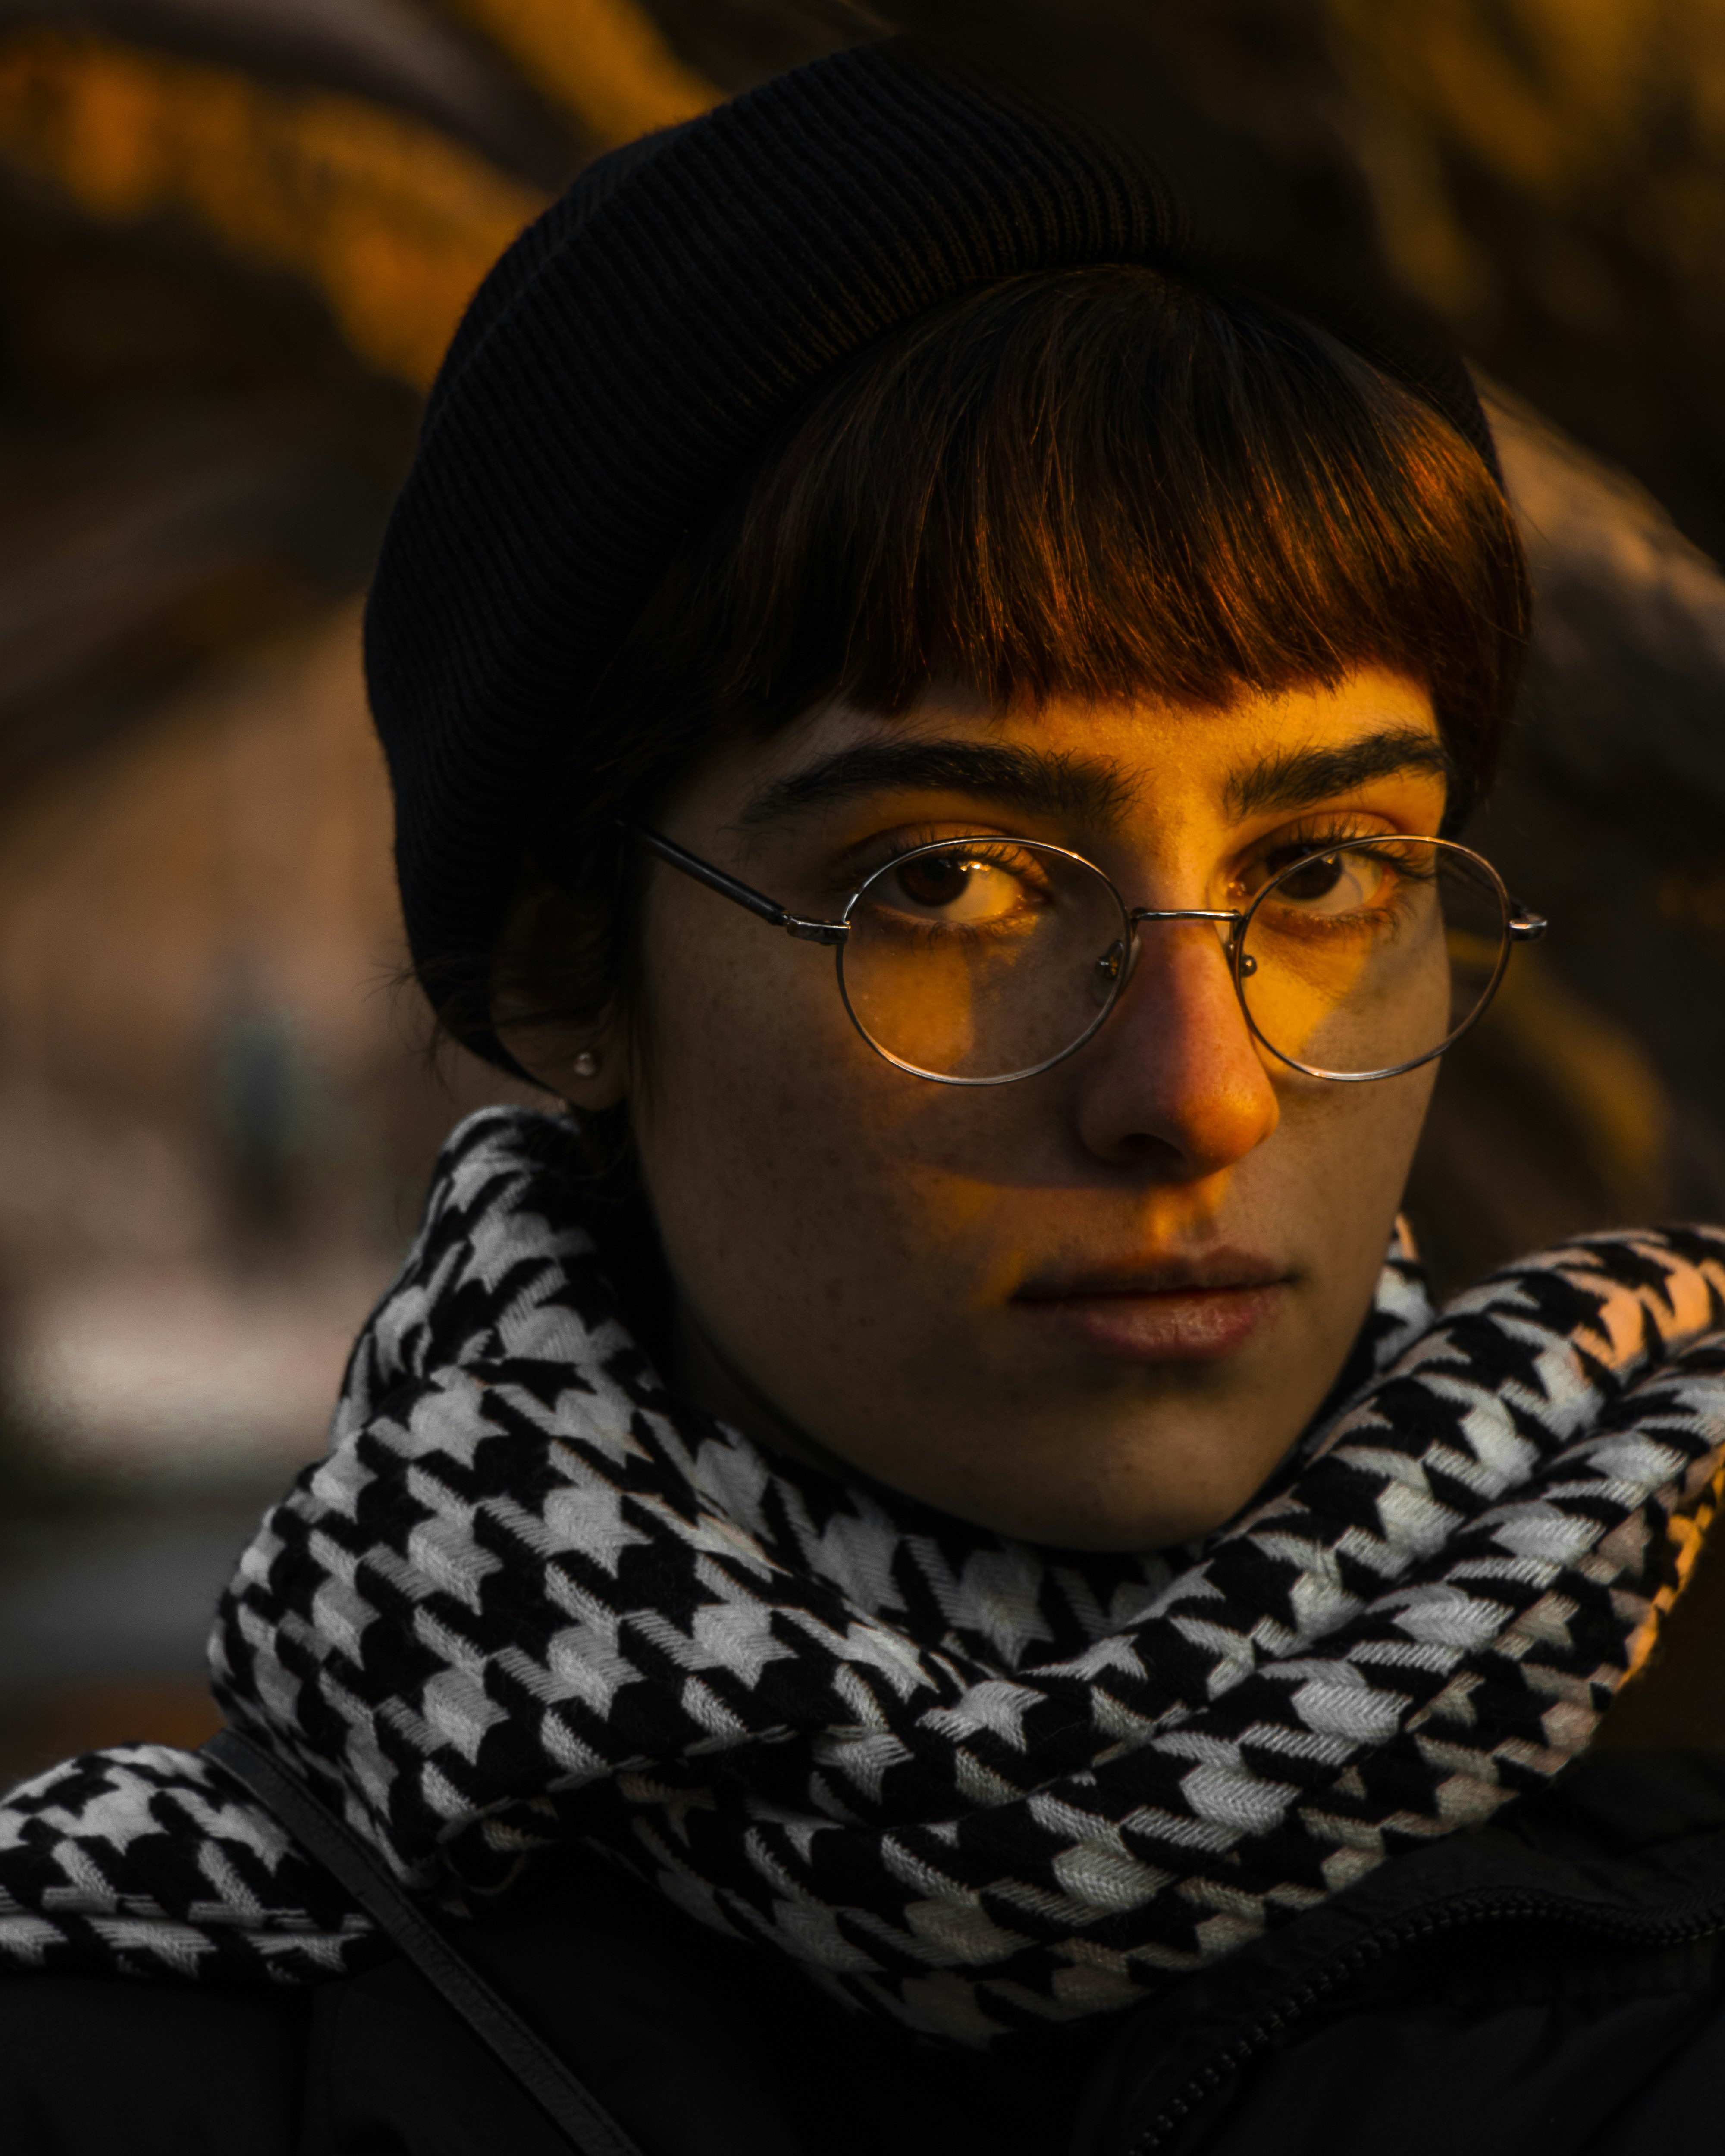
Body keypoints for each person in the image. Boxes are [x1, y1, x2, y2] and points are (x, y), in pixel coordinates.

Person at [5, 41, 1725, 2156]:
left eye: (1316, 872)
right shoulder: (127, 2051)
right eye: (946, 880)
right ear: (565, 969)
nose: (1194, 1088)